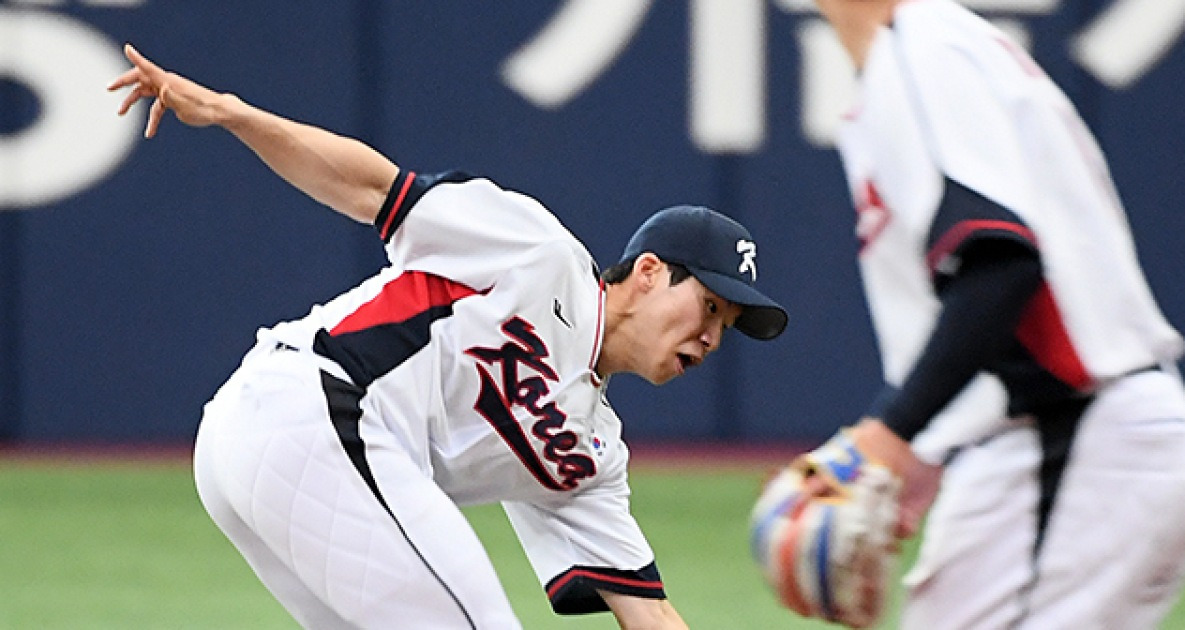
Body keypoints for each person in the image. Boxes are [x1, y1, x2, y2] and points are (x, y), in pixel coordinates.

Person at [108, 44, 788, 629]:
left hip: (282, 455)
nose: (711, 338)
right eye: (708, 305)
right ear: (648, 272)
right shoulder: (540, 254)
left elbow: (649, 614)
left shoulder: (589, 457)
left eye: (726, 326)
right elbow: (371, 188)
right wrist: (231, 113)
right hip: (305, 408)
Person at [802, 0, 1185, 628]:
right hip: (1072, 449)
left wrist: (890, 434)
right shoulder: (937, 49)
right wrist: (928, 449)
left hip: (1075, 448)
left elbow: (1001, 266)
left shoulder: (920, 51)